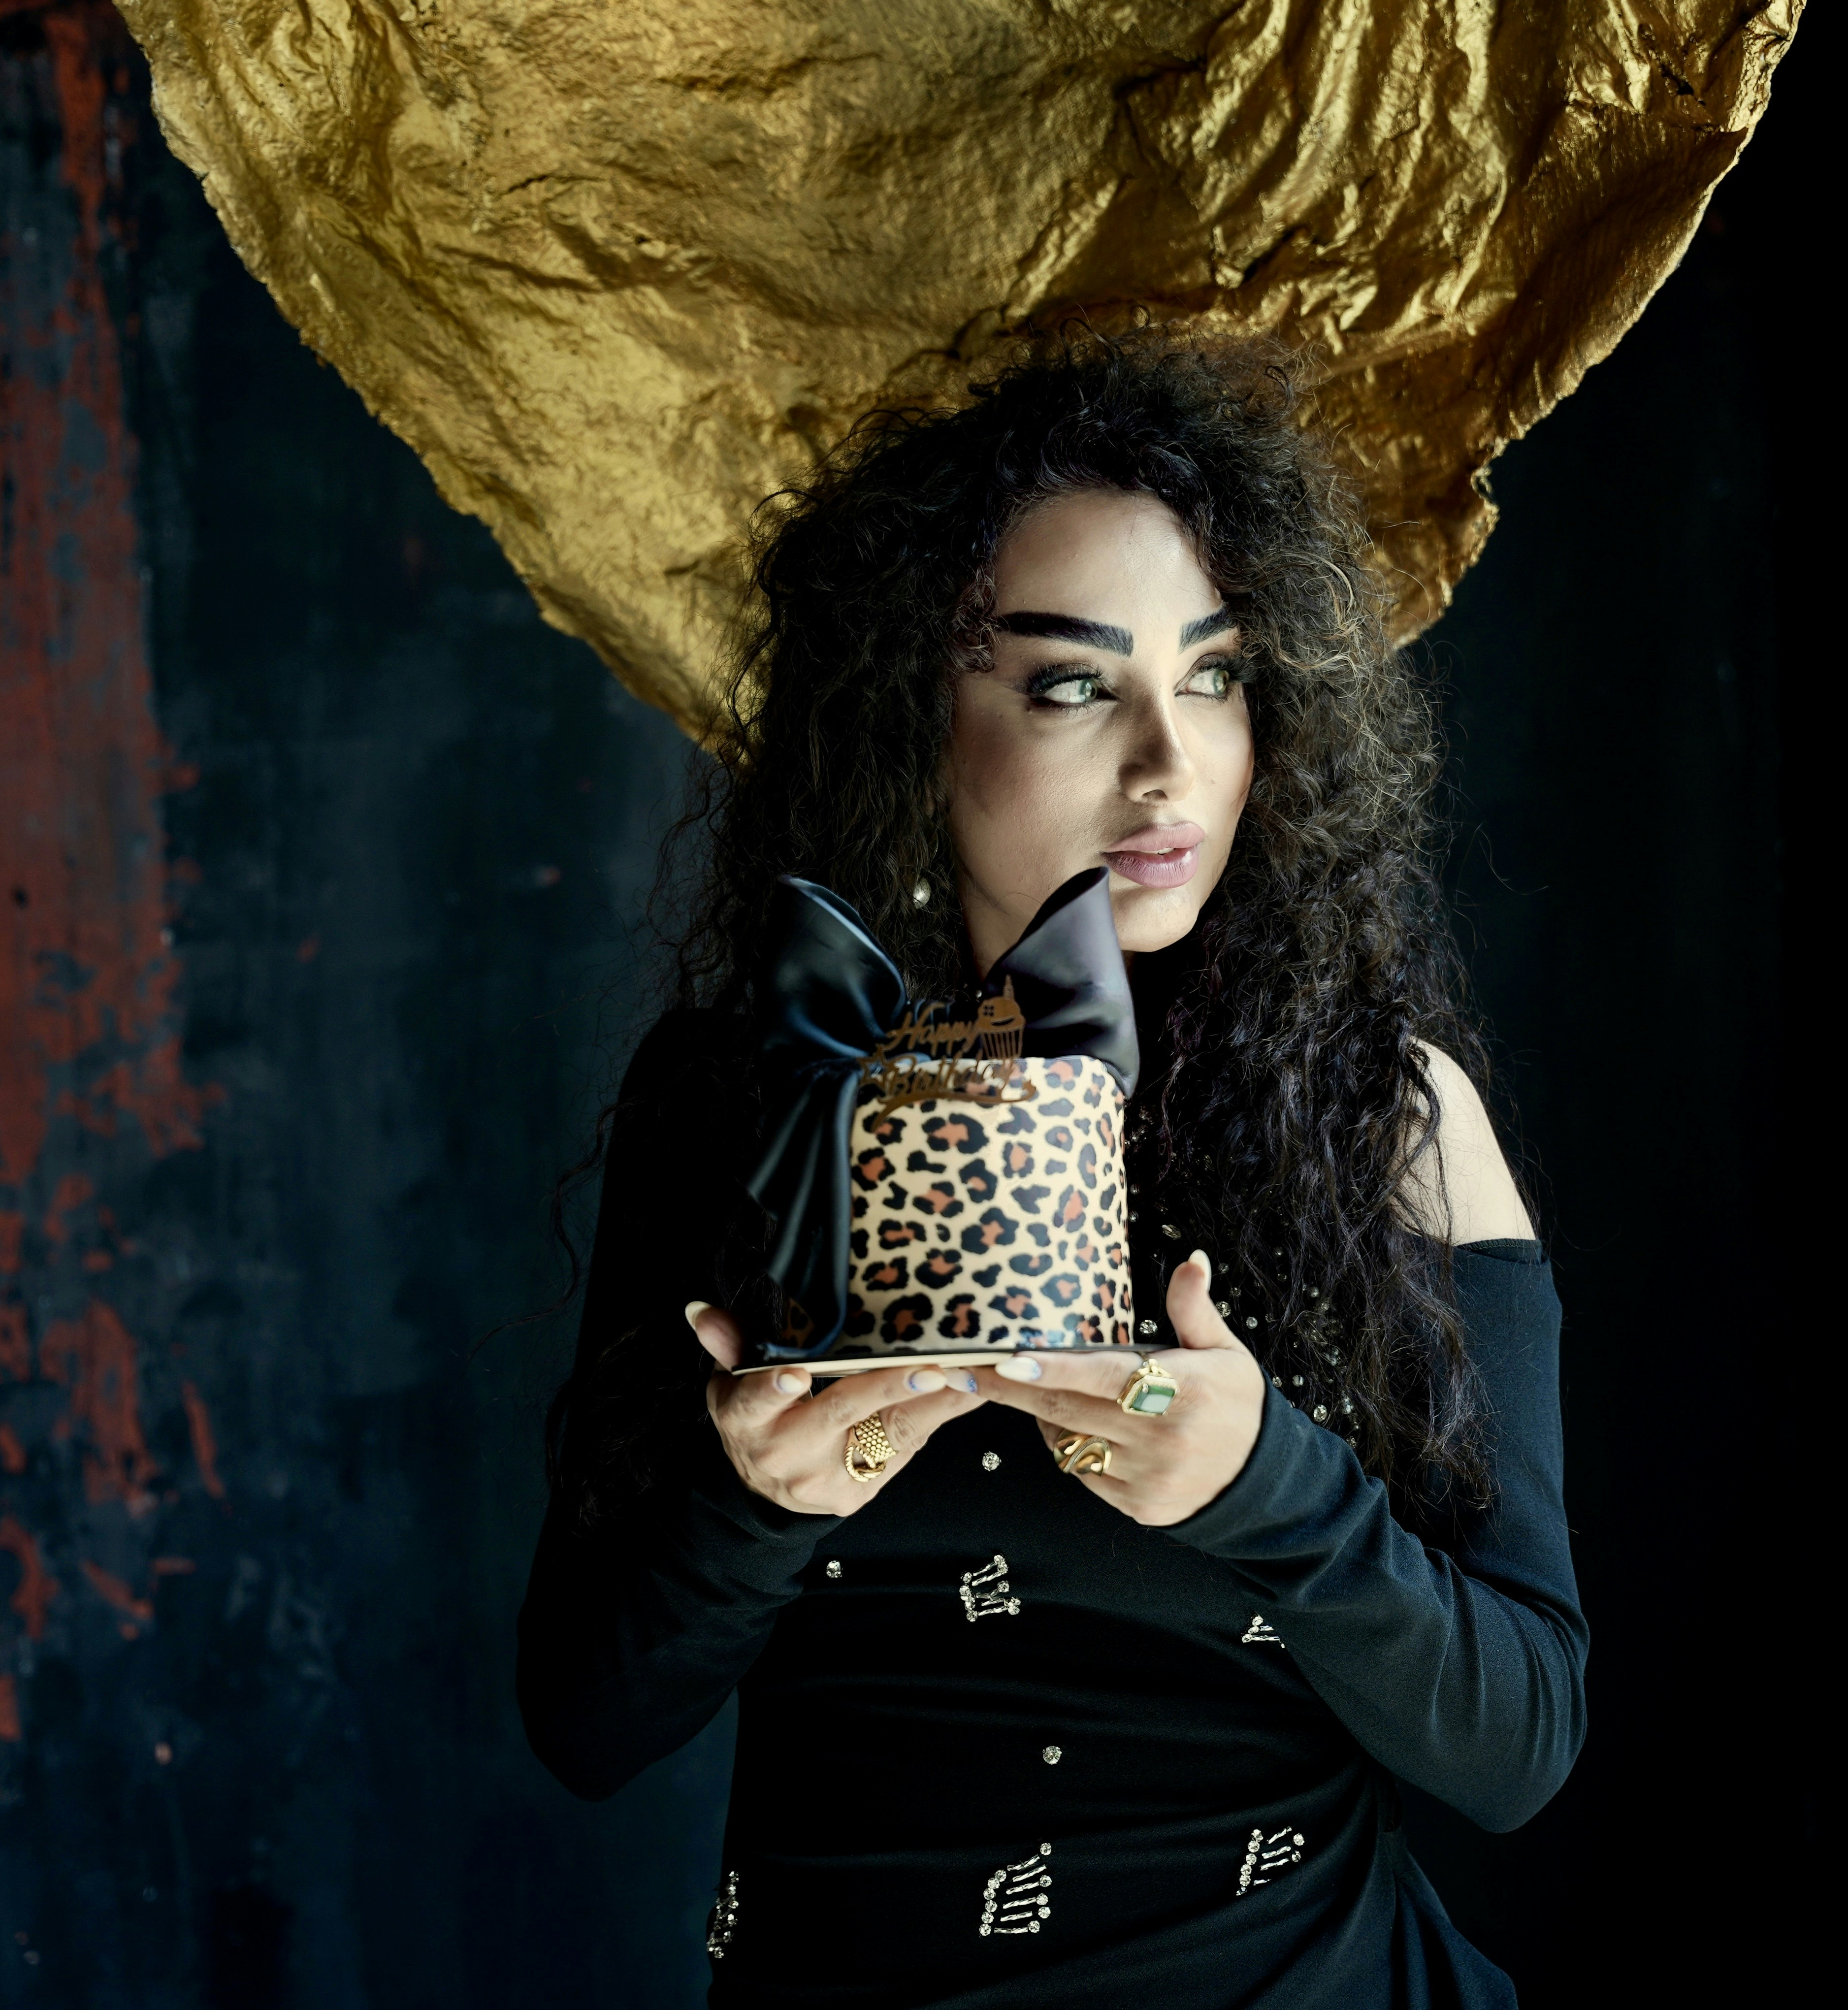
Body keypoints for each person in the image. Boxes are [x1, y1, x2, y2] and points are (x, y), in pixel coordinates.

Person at [518, 329, 1583, 2008]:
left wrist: (1269, 1488)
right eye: (1073, 681)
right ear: (910, 715)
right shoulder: (740, 1101)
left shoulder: (1386, 1115)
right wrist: (754, 1506)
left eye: (1217, 674)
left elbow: (1520, 1742)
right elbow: (582, 1720)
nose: (1170, 766)